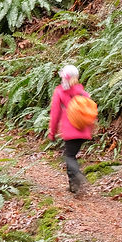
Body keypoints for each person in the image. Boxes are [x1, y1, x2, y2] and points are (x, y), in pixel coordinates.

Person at [48, 64, 93, 194]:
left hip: (70, 131)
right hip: (83, 130)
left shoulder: (60, 92)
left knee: (69, 156)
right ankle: (73, 184)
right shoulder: (82, 92)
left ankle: (76, 178)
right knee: (70, 155)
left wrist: (52, 132)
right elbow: (89, 110)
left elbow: (55, 113)